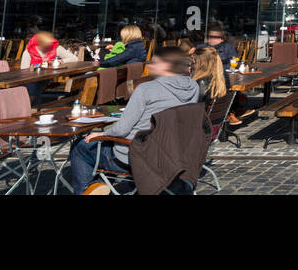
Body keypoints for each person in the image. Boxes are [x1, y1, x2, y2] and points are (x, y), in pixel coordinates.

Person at [67, 46, 200, 193]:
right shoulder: (193, 87)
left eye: (154, 62)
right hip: (171, 155)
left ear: (166, 66)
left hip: (136, 155)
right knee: (103, 145)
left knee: (80, 147)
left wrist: (102, 134)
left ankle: (89, 189)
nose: (149, 65)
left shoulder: (146, 89)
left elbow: (122, 129)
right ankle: (100, 185)